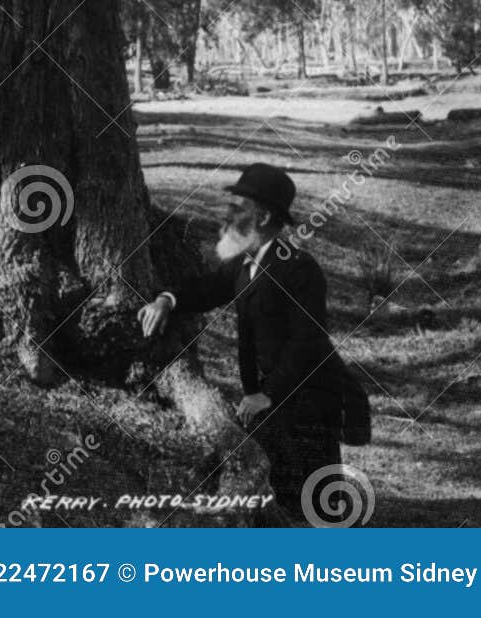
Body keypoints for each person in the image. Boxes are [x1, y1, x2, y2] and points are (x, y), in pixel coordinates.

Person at [137, 162, 344, 523]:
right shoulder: (243, 264)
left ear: (262, 218)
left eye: (237, 209)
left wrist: (270, 393)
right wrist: (167, 300)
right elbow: (207, 289)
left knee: (315, 508)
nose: (227, 216)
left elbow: (308, 340)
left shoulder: (299, 269)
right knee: (269, 501)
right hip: (265, 402)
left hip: (306, 401)